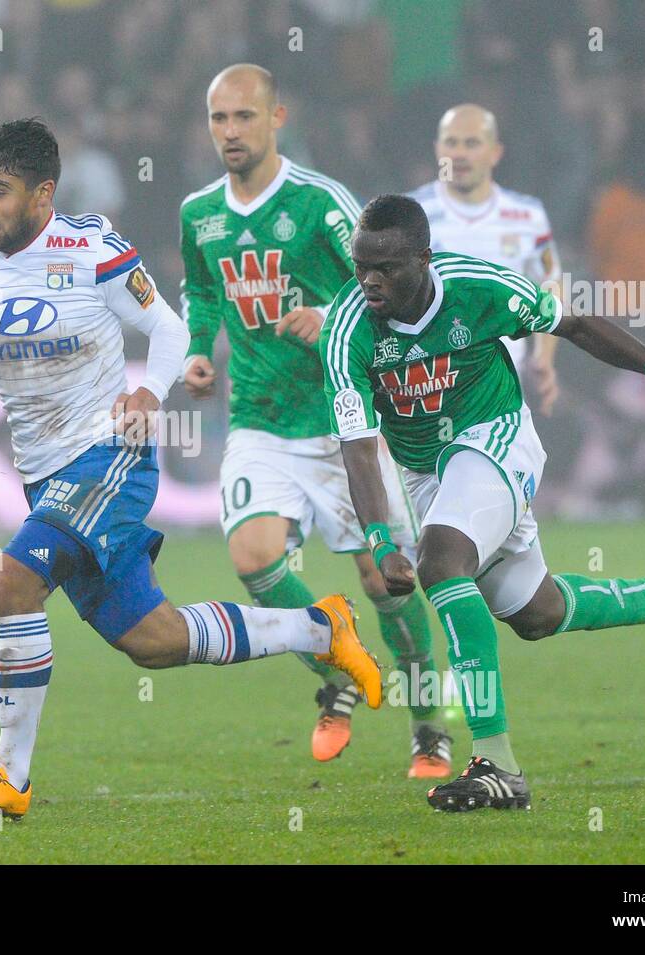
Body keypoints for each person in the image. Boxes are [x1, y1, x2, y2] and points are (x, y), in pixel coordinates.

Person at [0, 118, 383, 818]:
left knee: (13, 579)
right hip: (44, 471)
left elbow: (167, 329)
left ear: (42, 195)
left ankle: (7, 775)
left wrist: (148, 391)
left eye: (0, 191)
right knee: (155, 639)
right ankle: (319, 628)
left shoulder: (91, 249)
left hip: (110, 454)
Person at [320, 195, 645, 812]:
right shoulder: (347, 328)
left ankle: (499, 767)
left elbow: (574, 324)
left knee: (441, 564)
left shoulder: (479, 287)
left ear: (424, 260)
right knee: (535, 613)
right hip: (426, 472)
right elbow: (358, 449)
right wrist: (381, 539)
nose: (369, 281)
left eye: (385, 268)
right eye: (360, 267)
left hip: (497, 438)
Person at [180, 64, 444, 774]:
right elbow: (202, 291)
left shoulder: (322, 202)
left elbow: (392, 286)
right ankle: (336, 663)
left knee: (387, 580)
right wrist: (200, 351)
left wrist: (331, 315)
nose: (230, 131)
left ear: (276, 119)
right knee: (253, 559)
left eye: (243, 117)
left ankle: (428, 724)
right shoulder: (197, 213)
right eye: (218, 119)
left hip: (343, 421)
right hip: (260, 421)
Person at [409, 104, 562, 415]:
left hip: (504, 387)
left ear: (495, 152)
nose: (460, 154)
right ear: (438, 150)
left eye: (472, 143)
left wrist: (543, 355)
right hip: (429, 387)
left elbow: (551, 284)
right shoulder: (411, 213)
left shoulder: (527, 215)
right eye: (451, 143)